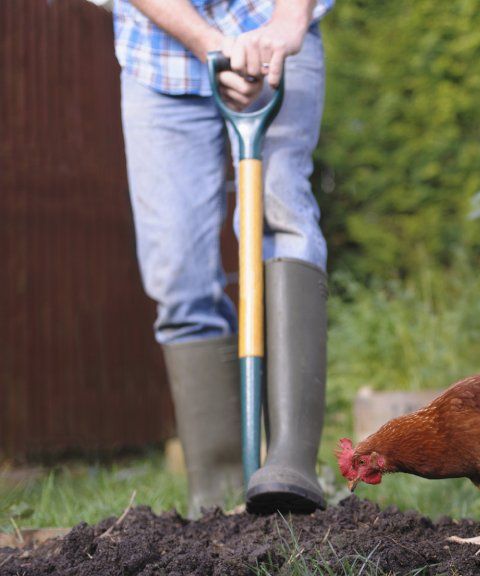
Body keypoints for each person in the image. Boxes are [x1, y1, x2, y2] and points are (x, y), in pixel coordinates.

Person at [114, 0, 333, 516]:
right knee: (178, 274)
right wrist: (209, 43)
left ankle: (291, 466)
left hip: (276, 42)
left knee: (283, 217)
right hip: (158, 57)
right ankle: (216, 496)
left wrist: (286, 25)